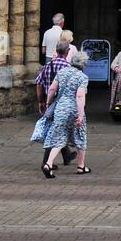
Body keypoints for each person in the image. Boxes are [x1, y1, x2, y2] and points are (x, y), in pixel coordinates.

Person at [35, 50, 92, 177]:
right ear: (84, 64)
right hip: (74, 109)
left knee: (59, 138)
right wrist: (81, 115)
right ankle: (81, 166)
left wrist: (49, 104)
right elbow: (80, 96)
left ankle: (48, 164)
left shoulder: (61, 72)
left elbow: (52, 89)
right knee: (80, 136)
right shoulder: (82, 77)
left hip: (60, 108)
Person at [32, 40, 76, 169]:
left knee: (58, 129)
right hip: (63, 104)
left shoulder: (47, 66)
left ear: (56, 51)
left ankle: (66, 155)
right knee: (55, 131)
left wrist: (41, 101)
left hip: (49, 103)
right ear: (67, 52)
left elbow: (39, 84)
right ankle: (46, 163)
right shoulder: (68, 68)